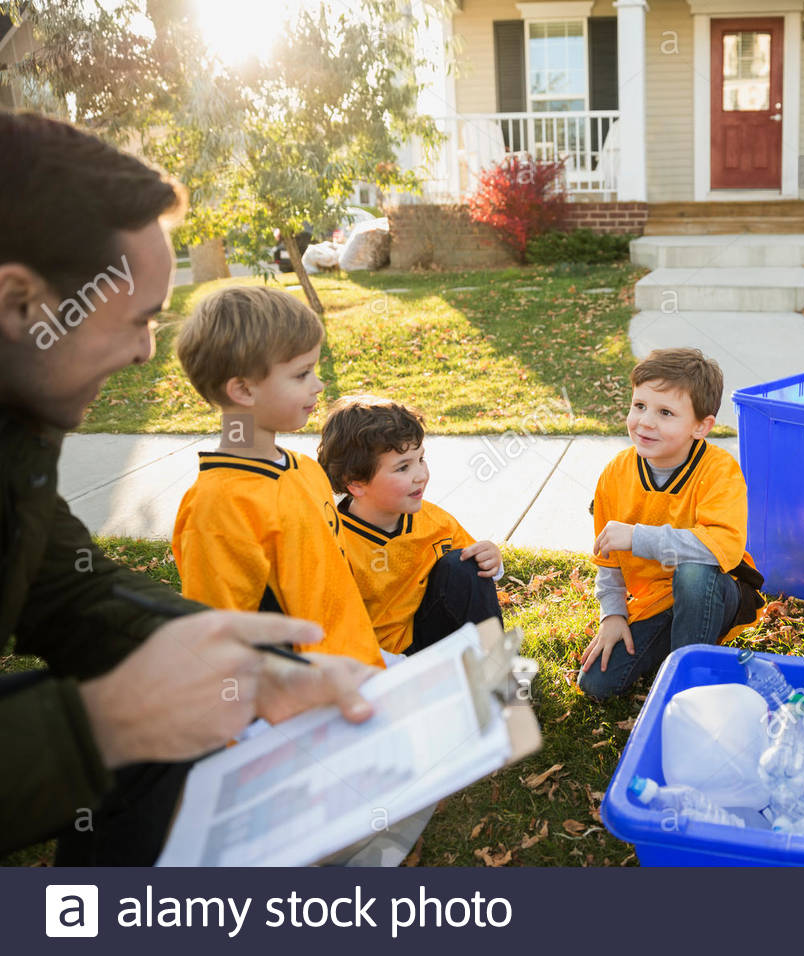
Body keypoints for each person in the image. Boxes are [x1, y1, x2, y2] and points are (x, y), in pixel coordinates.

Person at [0, 111, 376, 864]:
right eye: (137, 320)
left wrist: (250, 666)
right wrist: (104, 723)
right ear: (20, 304)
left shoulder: (17, 447)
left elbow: (69, 593)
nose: (147, 353)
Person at [170, 286, 385, 666]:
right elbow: (221, 643)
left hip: (360, 666)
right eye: (301, 374)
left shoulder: (304, 469)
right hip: (306, 703)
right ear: (243, 389)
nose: (318, 385)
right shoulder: (218, 506)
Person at [579, 348, 764, 700]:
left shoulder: (719, 472)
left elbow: (718, 547)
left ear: (701, 426)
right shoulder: (615, 473)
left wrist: (638, 537)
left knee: (692, 572)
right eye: (639, 406)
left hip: (713, 592)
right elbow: (608, 559)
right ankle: (675, 651)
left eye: (665, 412)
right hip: (657, 601)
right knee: (597, 686)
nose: (646, 421)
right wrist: (613, 616)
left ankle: (689, 685)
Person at [317, 395, 504, 655]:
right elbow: (332, 632)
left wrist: (491, 557)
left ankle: (498, 671)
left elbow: (476, 573)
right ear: (356, 483)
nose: (421, 475)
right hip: (370, 660)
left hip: (429, 638)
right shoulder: (333, 543)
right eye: (403, 467)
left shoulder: (433, 519)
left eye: (421, 459)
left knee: (464, 564)